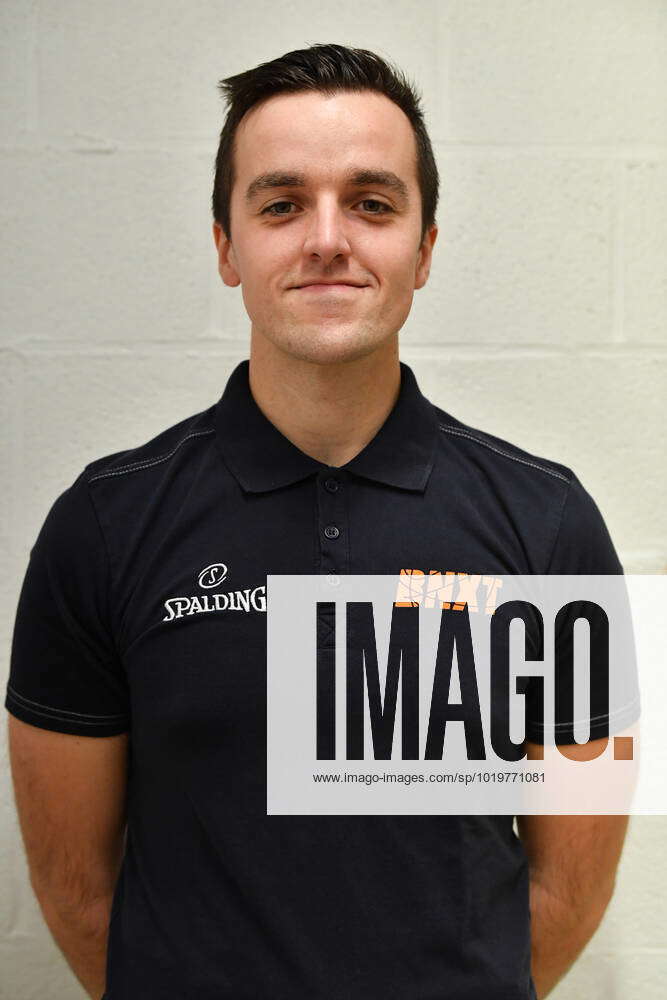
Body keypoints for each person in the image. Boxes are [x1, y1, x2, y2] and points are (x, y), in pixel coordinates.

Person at [5, 43, 639, 1000]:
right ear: (226, 246)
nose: (327, 239)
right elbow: (76, 887)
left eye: (373, 204)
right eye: (281, 203)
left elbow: (570, 882)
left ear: (424, 249)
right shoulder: (103, 524)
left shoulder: (548, 526)